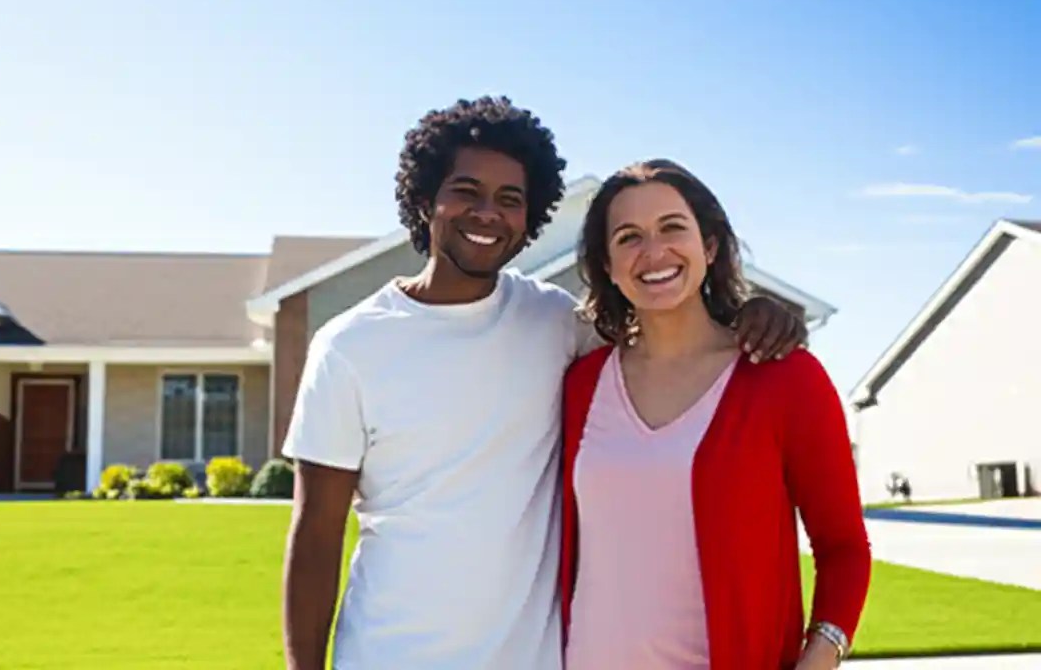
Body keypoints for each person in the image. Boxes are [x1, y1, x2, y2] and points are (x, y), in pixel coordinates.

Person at [280, 98, 806, 670]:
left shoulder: (556, 322)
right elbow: (315, 536)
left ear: (530, 220)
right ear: (426, 197)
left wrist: (751, 314)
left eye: (511, 199)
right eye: (466, 191)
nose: (488, 213)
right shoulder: (349, 346)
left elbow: (669, 338)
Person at [558, 159, 871, 670]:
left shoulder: (783, 377)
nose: (653, 252)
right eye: (629, 237)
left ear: (709, 246)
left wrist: (822, 655)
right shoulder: (579, 384)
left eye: (672, 228)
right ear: (608, 266)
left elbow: (843, 547)